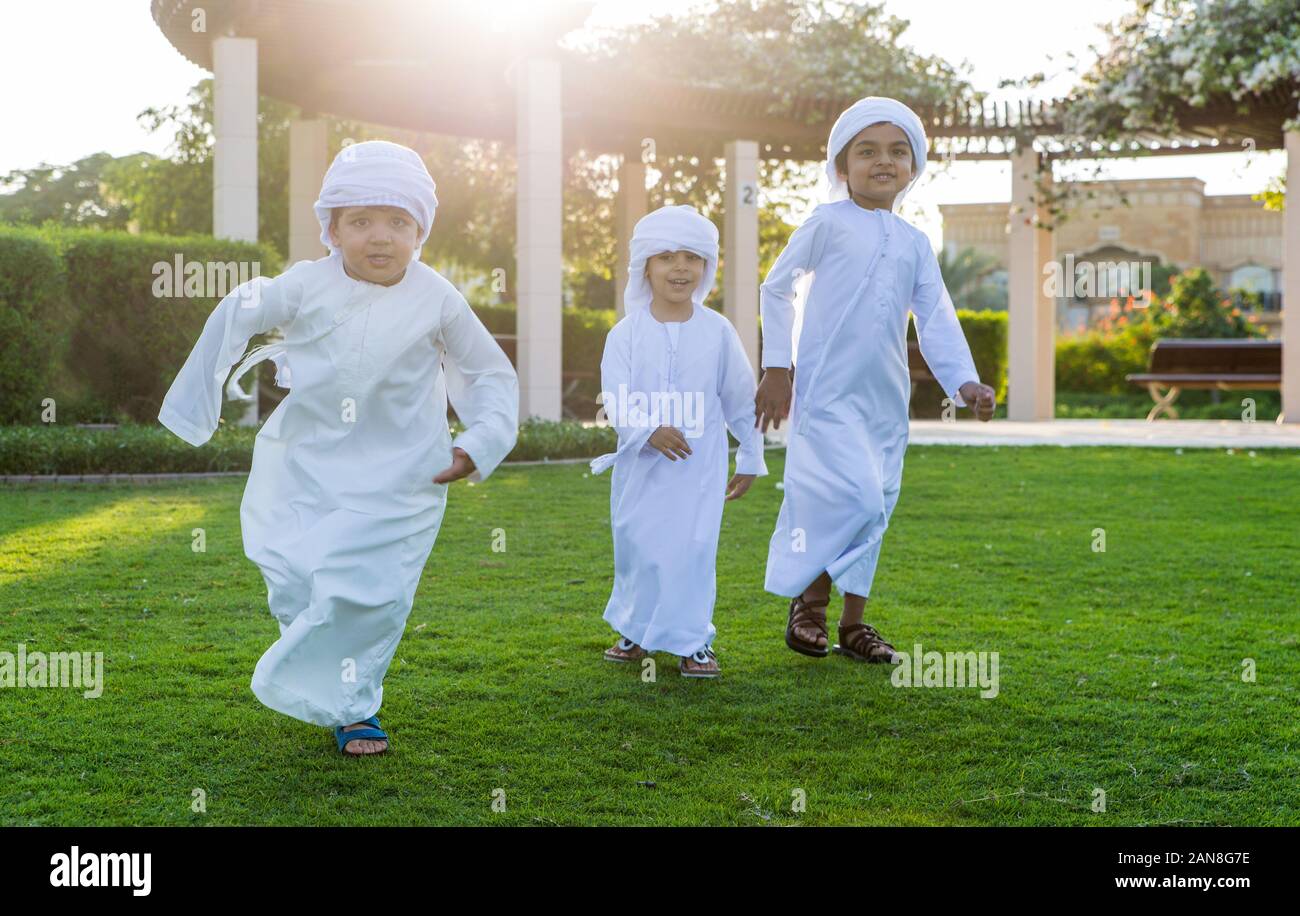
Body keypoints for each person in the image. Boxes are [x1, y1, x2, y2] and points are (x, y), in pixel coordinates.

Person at [158, 140, 518, 754]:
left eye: (398, 222)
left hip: (404, 475)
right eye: (362, 221)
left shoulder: (438, 297)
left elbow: (488, 374)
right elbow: (244, 306)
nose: (381, 237)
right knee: (296, 580)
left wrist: (480, 442)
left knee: (370, 592)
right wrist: (205, 390)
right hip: (307, 465)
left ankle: (355, 709)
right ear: (332, 228)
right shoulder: (306, 283)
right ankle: (323, 669)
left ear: (420, 230)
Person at [753, 97, 997, 664]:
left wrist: (966, 383)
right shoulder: (826, 222)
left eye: (897, 151)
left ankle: (853, 626)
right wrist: (776, 367)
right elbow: (776, 287)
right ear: (842, 166)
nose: (882, 161)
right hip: (826, 395)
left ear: (913, 167)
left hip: (885, 401)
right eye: (867, 151)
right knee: (847, 495)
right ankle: (808, 605)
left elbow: (936, 315)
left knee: (879, 501)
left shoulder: (914, 242)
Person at [590, 205, 768, 678]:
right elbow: (617, 394)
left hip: (698, 469)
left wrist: (750, 454)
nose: (680, 267)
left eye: (692, 257)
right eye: (667, 256)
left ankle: (693, 640)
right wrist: (648, 430)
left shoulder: (718, 331)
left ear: (706, 266)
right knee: (638, 546)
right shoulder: (625, 334)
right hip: (640, 468)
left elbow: (739, 398)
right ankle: (635, 629)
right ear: (645, 266)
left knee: (694, 548)